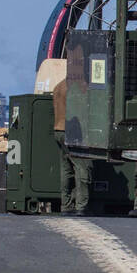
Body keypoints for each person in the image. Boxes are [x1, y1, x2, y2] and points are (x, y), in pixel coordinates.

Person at [53, 79, 91, 214]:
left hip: (59, 130)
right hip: (73, 131)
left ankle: (66, 205)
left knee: (66, 169)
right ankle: (81, 206)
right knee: (82, 168)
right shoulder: (76, 86)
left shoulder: (59, 85)